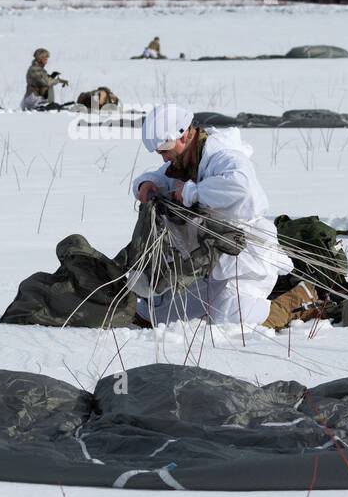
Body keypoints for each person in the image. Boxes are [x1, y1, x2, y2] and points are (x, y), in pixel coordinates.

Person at [130, 104, 313, 329]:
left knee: (228, 321)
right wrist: (146, 184)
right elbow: (160, 178)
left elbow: (243, 189)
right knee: (159, 314)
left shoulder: (224, 156)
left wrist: (192, 193)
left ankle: (300, 298)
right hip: (211, 262)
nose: (164, 158)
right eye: (159, 152)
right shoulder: (184, 159)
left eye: (165, 150)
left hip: (245, 258)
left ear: (185, 134)